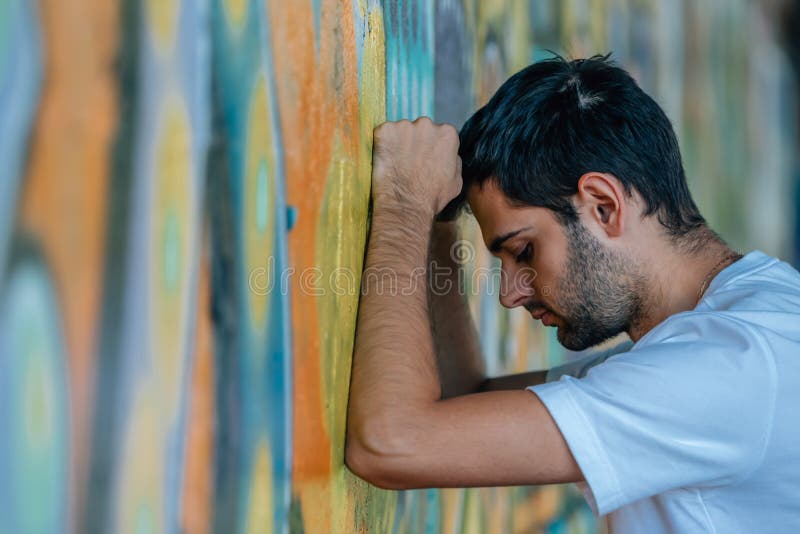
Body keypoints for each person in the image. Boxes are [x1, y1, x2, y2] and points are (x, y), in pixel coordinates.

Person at [344, 55, 800, 532]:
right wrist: (436, 223)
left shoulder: (723, 370)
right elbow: (462, 401)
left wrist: (405, 200)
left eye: (524, 251)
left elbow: (390, 444)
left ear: (603, 206)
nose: (510, 295)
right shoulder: (744, 331)